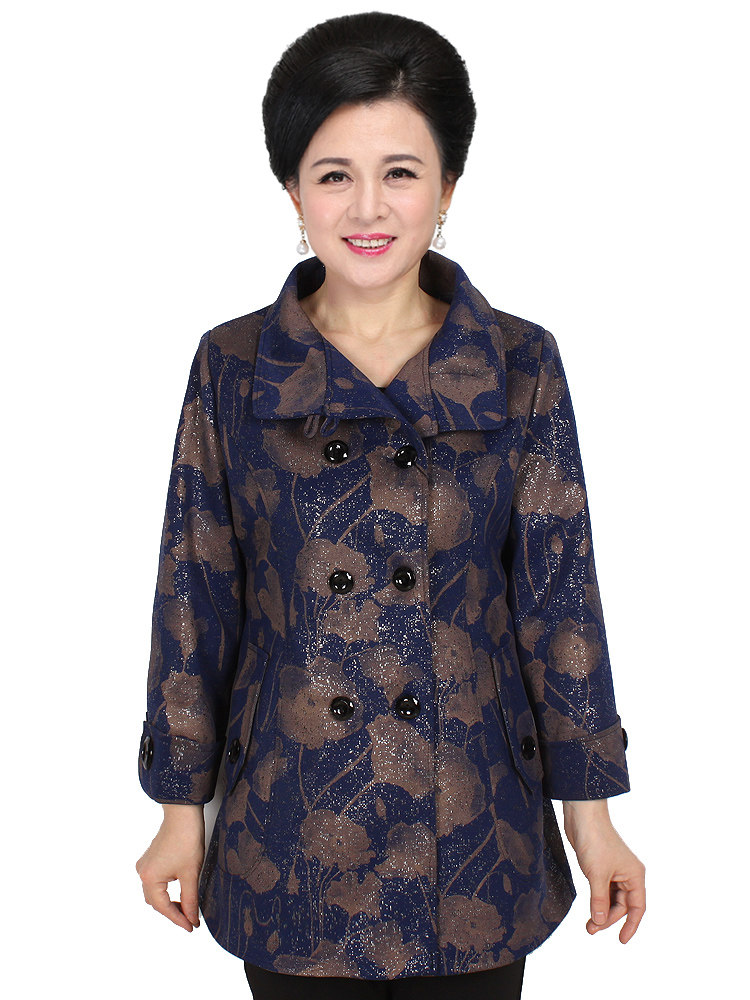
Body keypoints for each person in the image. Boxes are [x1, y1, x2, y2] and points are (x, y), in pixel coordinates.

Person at [135, 12, 646, 1000]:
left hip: (475, 832)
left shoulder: (518, 361)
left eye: (401, 172)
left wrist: (593, 815)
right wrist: (176, 808)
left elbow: (558, 601)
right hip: (290, 828)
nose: (368, 206)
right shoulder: (233, 364)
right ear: (293, 190)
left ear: (448, 186)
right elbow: (194, 591)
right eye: (334, 174)